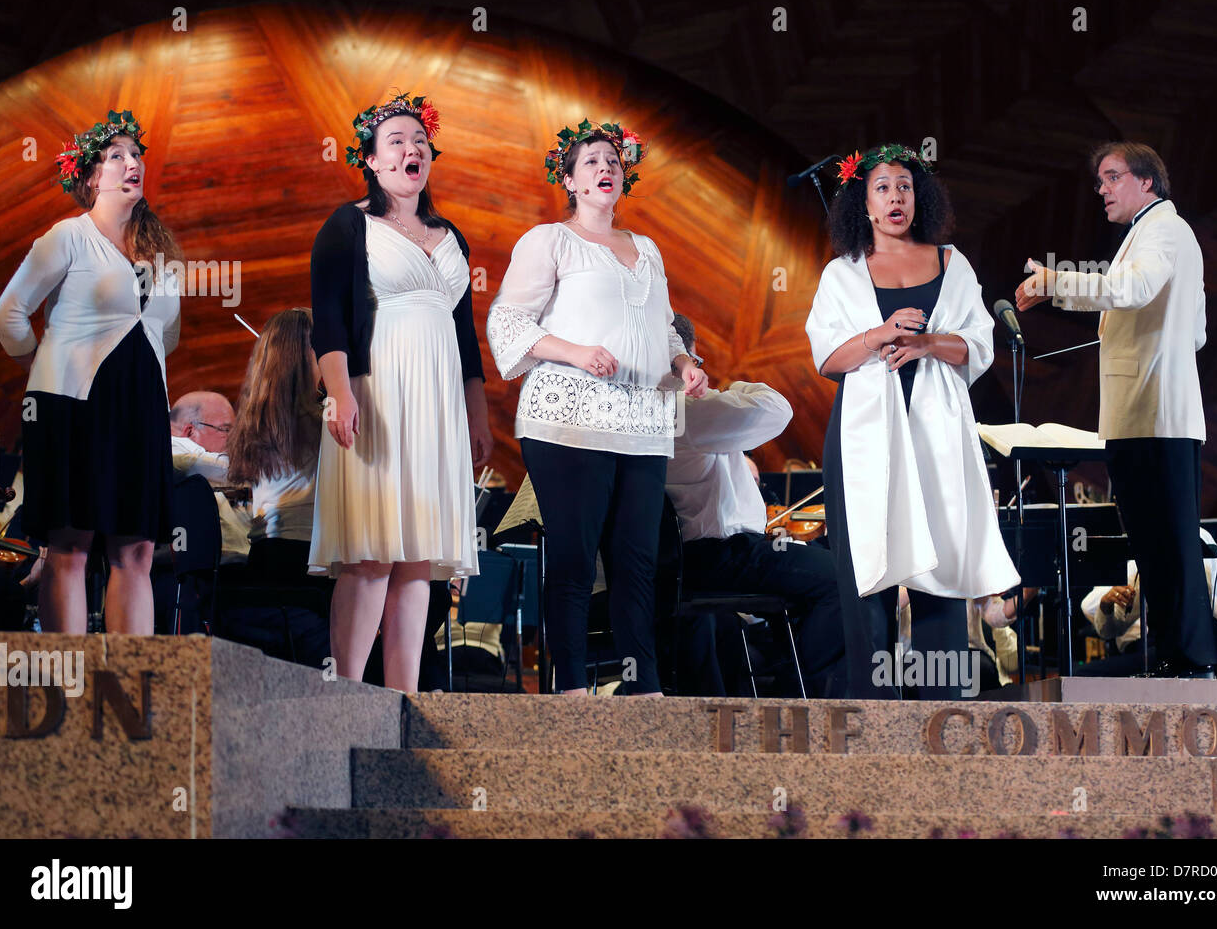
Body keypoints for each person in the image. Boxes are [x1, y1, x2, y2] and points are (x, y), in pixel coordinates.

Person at [487, 119, 707, 696]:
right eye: (591, 162)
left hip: (643, 424)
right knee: (576, 558)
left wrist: (684, 365)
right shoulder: (549, 241)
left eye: (613, 160)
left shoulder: (649, 250)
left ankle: (644, 689)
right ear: (570, 180)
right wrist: (576, 353)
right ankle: (571, 691)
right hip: (568, 420)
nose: (605, 168)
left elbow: (661, 328)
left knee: (638, 560)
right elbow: (507, 322)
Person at [805, 144, 1018, 699]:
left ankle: (942, 714)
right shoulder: (841, 275)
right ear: (865, 203)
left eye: (904, 185)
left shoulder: (951, 261)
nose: (895, 197)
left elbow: (977, 345)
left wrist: (924, 342)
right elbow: (828, 358)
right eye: (882, 187)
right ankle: (873, 716)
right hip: (862, 444)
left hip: (936, 437)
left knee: (939, 573)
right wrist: (879, 335)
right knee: (867, 581)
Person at [1014, 142, 1216, 677]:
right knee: (1155, 546)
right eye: (1100, 179)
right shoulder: (1155, 232)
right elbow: (1194, 332)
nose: (1101, 188)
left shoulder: (1164, 230)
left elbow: (1132, 289)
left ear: (1146, 181)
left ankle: (1191, 660)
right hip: (1147, 412)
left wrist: (1055, 281)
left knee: (1169, 545)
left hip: (1157, 415)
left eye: (1111, 177)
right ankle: (1176, 655)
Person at [309, 92, 479, 693]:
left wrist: (475, 411)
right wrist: (339, 393)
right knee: (372, 551)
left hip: (437, 404)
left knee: (418, 561)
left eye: (419, 141)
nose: (412, 149)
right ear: (373, 162)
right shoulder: (348, 224)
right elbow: (327, 316)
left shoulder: (449, 232)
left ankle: (402, 700)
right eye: (397, 142)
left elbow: (464, 331)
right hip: (378, 391)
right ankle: (348, 694)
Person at [0, 109, 181, 634]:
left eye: (136, 154)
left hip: (140, 413)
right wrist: (43, 365)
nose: (131, 163)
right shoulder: (67, 237)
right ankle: (69, 684)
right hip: (71, 407)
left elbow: (168, 334)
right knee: (70, 548)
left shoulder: (161, 253)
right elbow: (7, 313)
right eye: (115, 156)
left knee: (138, 550)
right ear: (90, 176)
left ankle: (127, 683)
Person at [665, 314, 846, 697]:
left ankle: (792, 685)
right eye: (696, 364)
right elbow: (776, 408)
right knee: (841, 582)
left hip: (689, 559)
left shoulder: (652, 411)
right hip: (718, 556)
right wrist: (734, 388)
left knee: (814, 585)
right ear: (684, 361)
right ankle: (798, 697)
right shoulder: (685, 410)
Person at [224, 309, 322, 582]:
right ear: (310, 353)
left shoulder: (255, 418)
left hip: (264, 555)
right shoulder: (324, 417)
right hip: (310, 559)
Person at [1078, 528, 1217, 676]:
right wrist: (1106, 605)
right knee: (1083, 674)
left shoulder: (1200, 537)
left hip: (1200, 646)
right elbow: (1111, 628)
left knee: (1083, 675)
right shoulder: (1144, 549)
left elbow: (1212, 613)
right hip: (1158, 649)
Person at [169, 390, 250, 566]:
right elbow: (213, 466)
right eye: (226, 429)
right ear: (190, 431)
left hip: (232, 567)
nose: (234, 440)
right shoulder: (173, 448)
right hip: (206, 572)